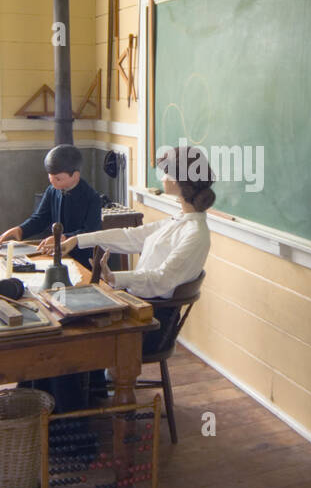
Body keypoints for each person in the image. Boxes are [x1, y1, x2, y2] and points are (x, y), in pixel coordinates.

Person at [57, 144, 215, 359]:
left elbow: (162, 279)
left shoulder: (195, 233)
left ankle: (88, 389)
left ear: (179, 181)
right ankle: (87, 390)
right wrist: (78, 240)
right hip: (138, 308)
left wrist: (114, 277)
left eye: (166, 173)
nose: (163, 178)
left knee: (69, 334)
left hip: (149, 324)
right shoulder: (179, 220)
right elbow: (132, 236)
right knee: (64, 319)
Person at [0, 144, 102, 269]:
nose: (53, 182)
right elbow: (40, 218)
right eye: (50, 177)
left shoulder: (91, 197)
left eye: (58, 179)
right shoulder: (52, 190)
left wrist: (62, 238)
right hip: (55, 255)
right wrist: (21, 230)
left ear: (75, 175)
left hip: (82, 258)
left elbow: (90, 232)